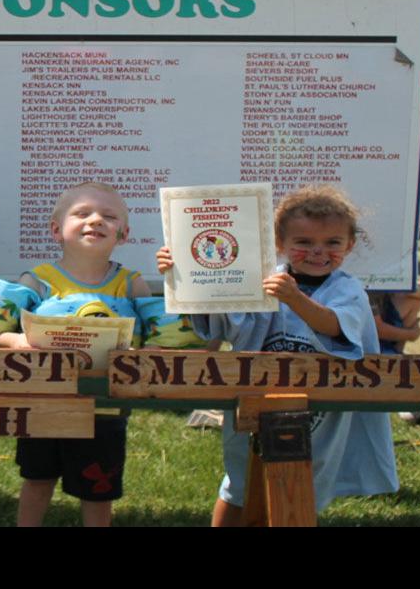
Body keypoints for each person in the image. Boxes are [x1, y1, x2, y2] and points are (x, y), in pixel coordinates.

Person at [157, 185, 399, 526]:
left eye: (332, 242)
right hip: (254, 402)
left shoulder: (348, 289)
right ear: (279, 243)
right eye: (304, 242)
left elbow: (335, 326)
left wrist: (295, 299)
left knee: (301, 487)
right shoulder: (260, 281)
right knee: (239, 484)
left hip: (318, 414)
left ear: (349, 245)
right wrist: (183, 272)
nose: (318, 251)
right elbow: (225, 322)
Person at [0, 181, 150, 527]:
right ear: (56, 230)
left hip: (104, 406)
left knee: (98, 489)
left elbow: (155, 336)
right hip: (44, 401)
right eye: (82, 213)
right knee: (37, 479)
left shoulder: (132, 284)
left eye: (109, 216)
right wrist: (18, 343)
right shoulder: (36, 281)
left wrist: (140, 354)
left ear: (124, 234)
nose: (96, 220)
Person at [369, 280, 420, 392]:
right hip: (362, 351)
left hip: (382, 348)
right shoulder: (363, 281)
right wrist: (411, 334)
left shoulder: (387, 277)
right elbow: (376, 329)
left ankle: (395, 361)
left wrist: (405, 287)